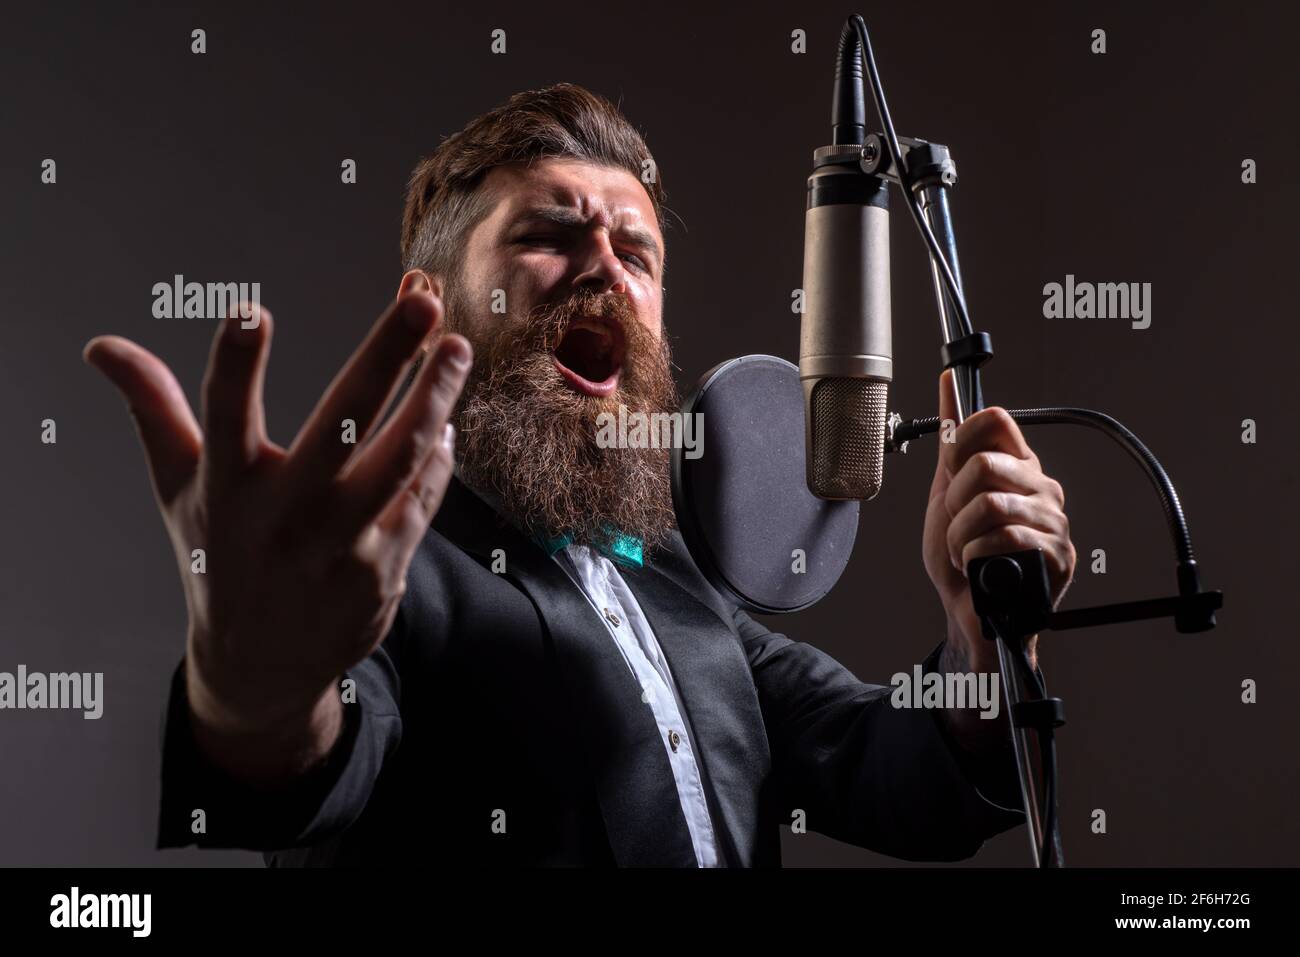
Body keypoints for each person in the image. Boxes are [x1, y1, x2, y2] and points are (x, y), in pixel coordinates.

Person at [83, 83, 1076, 867]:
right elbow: (308, 767)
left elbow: (901, 776)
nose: (606, 267)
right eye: (548, 236)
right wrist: (255, 697)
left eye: (637, 253)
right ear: (435, 303)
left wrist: (977, 637)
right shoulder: (379, 575)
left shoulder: (686, 589)